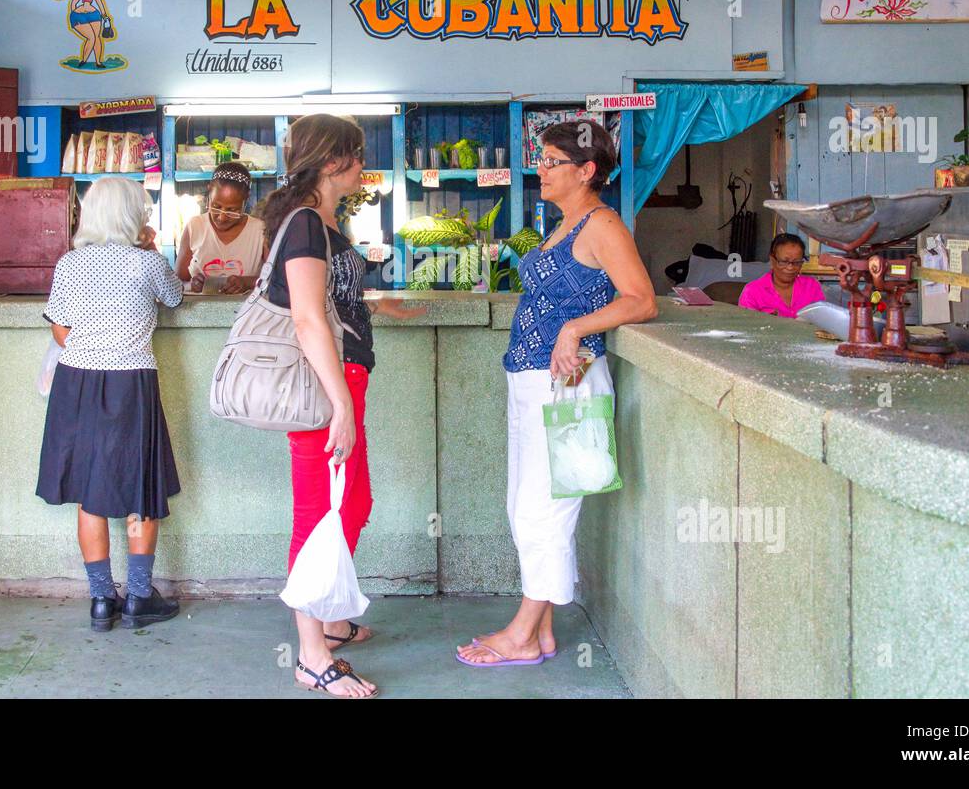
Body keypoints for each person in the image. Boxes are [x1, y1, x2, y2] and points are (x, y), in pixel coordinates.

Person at [456, 120, 657, 668]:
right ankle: (540, 632)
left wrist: (574, 329)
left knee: (546, 510)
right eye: (540, 161)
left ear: (587, 170)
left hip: (567, 383)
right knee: (524, 509)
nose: (539, 170)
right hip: (531, 379)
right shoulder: (565, 222)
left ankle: (524, 630)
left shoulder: (602, 224)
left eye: (551, 162)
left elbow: (641, 299)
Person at [257, 113, 423, 698]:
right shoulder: (304, 224)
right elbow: (305, 317)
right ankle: (309, 655)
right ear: (333, 163)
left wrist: (378, 303)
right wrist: (341, 408)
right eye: (357, 155)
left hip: (346, 380)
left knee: (352, 502)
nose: (363, 166)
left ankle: (327, 616)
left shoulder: (323, 222)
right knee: (319, 513)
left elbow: (331, 301)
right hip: (324, 388)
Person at [36, 177, 185, 631]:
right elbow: (177, 297)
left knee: (89, 493)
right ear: (135, 218)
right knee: (141, 488)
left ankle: (103, 601)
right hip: (131, 385)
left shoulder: (70, 264)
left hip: (76, 385)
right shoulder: (148, 264)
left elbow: (60, 330)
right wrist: (151, 248)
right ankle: (139, 598)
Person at [175, 164, 267, 294]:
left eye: (232, 210)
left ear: (246, 199)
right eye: (216, 206)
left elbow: (276, 280)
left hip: (245, 312)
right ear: (209, 194)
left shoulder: (260, 230)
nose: (222, 217)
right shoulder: (195, 226)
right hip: (200, 312)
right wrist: (192, 284)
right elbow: (177, 282)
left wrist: (247, 282)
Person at [737, 233, 824, 318]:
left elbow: (822, 320)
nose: (790, 267)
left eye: (797, 262)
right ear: (772, 260)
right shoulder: (752, 291)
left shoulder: (812, 286)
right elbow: (747, 327)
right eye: (784, 262)